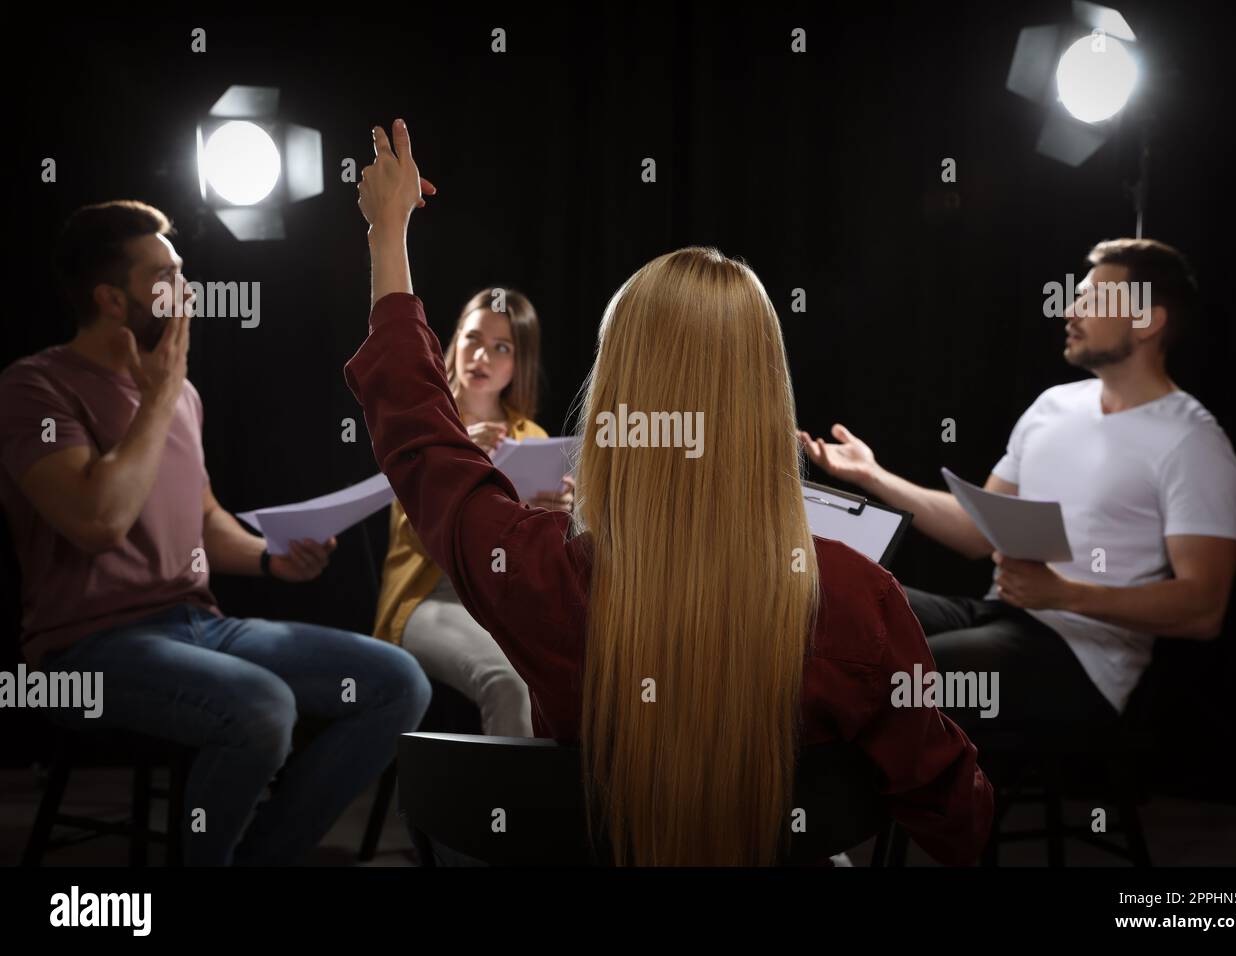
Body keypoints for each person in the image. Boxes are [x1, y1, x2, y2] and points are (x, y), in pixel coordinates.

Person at [345, 120, 992, 866]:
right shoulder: (857, 601)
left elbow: (421, 438)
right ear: (766, 405)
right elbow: (960, 820)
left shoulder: (539, 576)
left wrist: (387, 234)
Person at [0, 200, 431, 865]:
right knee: (262, 707)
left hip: (197, 623)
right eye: (166, 276)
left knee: (397, 682)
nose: (188, 291)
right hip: (86, 648)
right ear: (111, 299)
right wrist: (160, 394)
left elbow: (201, 518)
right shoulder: (35, 387)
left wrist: (268, 561)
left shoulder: (182, 395)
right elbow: (98, 520)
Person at [802, 239, 1236, 731]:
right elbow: (976, 532)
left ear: (1148, 320)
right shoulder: (1054, 405)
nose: (1070, 311)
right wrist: (872, 474)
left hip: (1079, 657)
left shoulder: (1191, 440)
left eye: (1093, 301)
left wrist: (1063, 594)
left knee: (892, 677)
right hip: (999, 612)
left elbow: (1204, 607)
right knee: (825, 602)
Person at [374, 287, 573, 736]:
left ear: (518, 362)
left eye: (501, 347)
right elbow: (420, 533)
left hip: (501, 599)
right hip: (428, 599)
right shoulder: (428, 424)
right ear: (455, 341)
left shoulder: (532, 434)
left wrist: (554, 515)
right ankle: (501, 808)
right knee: (509, 681)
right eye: (473, 338)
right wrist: (462, 459)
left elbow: (537, 556)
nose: (481, 355)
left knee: (577, 667)